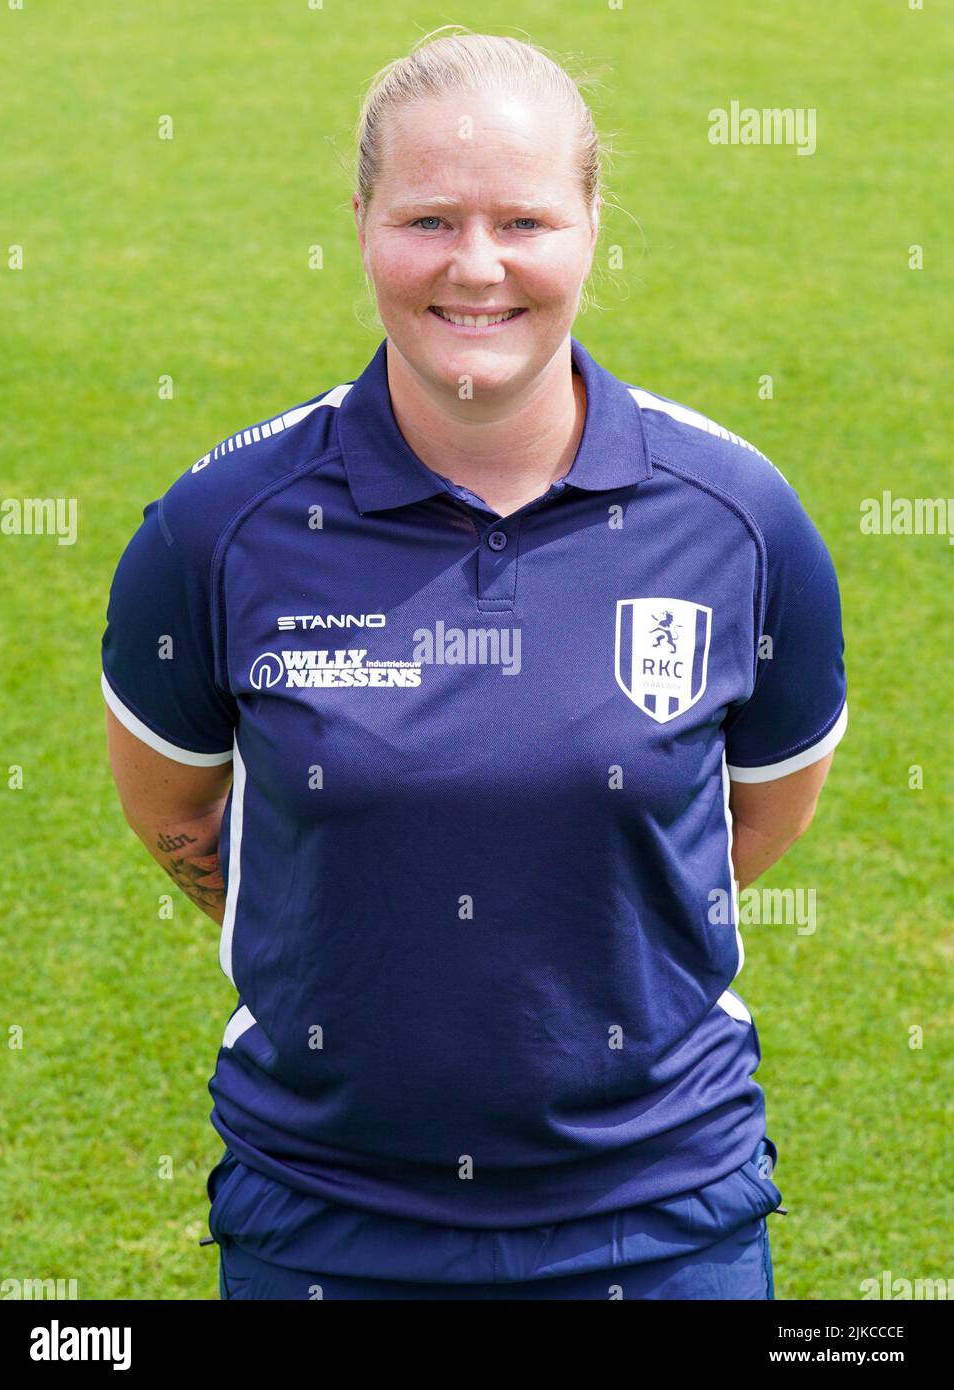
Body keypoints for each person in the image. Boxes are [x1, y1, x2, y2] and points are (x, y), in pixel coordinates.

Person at [100, 28, 847, 1300]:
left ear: (591, 223)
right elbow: (173, 807)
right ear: (361, 220)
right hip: (326, 1219)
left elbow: (750, 816)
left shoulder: (736, 517)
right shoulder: (219, 524)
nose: (477, 266)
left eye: (524, 220)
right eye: (429, 218)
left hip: (659, 1218)